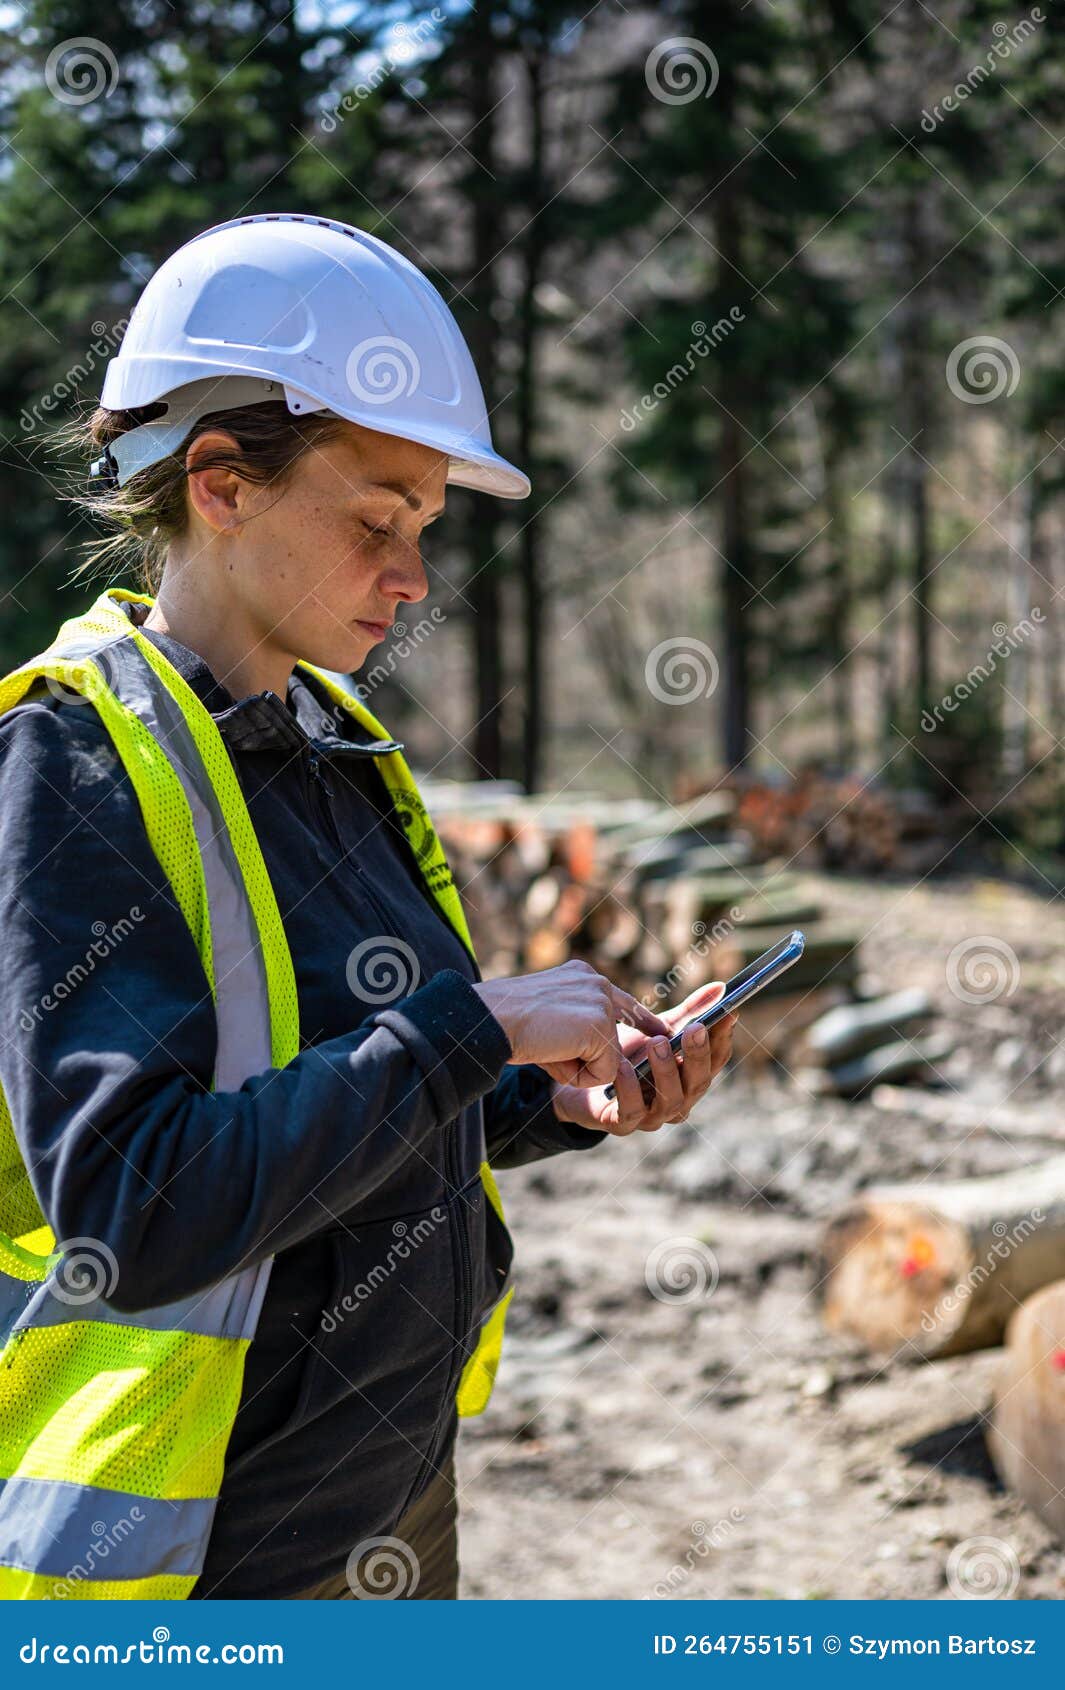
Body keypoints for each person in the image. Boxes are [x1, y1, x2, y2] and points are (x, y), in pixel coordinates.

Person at [0, 214, 736, 1601]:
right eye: (375, 519)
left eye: (425, 528)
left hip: (389, 1494)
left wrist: (547, 1099)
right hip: (198, 1550)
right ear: (218, 484)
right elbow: (134, 1203)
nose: (410, 577)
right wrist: (474, 1028)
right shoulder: (75, 760)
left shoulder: (337, 745)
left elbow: (336, 1083)